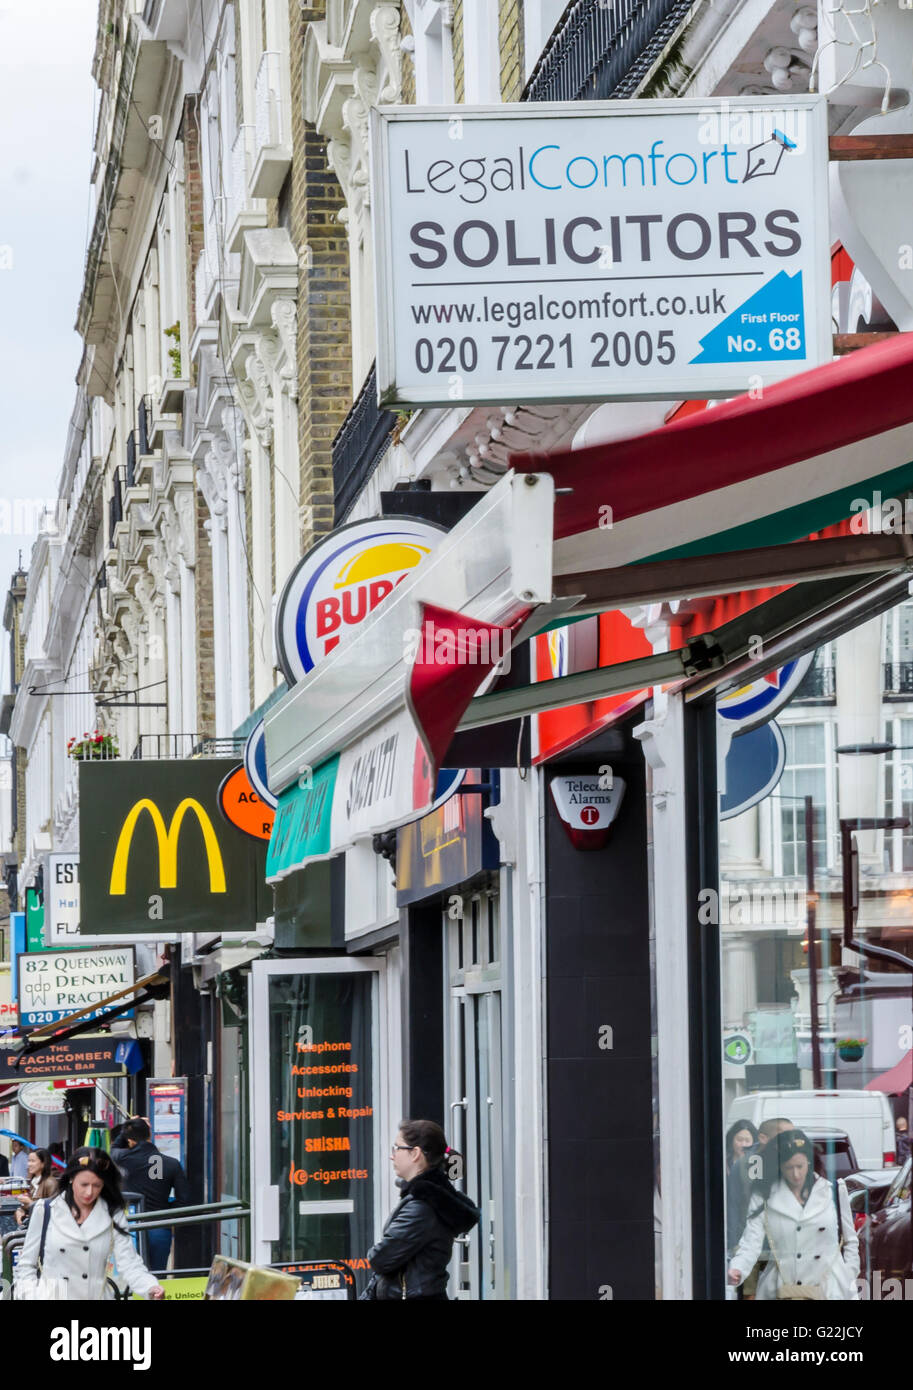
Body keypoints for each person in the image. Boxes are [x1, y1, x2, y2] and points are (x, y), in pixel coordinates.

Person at [13, 1147, 164, 1301]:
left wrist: (150, 1287)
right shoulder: (45, 1210)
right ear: (71, 1178)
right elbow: (26, 1265)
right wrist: (32, 1294)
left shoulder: (113, 1213)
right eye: (84, 1184)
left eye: (97, 1185)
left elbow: (130, 1263)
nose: (89, 1192)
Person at [728, 1128, 859, 1301]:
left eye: (800, 1166)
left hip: (831, 1289)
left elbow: (850, 1241)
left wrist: (848, 1274)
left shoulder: (833, 1190)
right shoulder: (764, 1196)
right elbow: (751, 1243)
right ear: (779, 1167)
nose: (796, 1174)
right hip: (781, 1289)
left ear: (809, 1162)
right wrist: (738, 1268)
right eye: (789, 1167)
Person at [361, 1119, 480, 1300]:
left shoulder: (422, 1208)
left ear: (415, 1153)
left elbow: (380, 1258)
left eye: (397, 1148)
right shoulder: (427, 1200)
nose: (392, 1155)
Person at [111, 1118, 190, 1272]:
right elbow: (184, 1200)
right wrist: (165, 1208)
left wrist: (127, 1126)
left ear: (130, 1141)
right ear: (150, 1135)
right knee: (156, 1276)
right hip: (159, 1226)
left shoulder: (122, 1158)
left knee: (129, 1275)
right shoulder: (171, 1163)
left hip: (130, 1225)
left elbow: (113, 1148)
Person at [725, 1120, 758, 1256]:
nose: (743, 1144)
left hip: (745, 1223)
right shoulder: (722, 1161)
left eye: (747, 1140)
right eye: (739, 1139)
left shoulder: (756, 1165)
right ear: (732, 1139)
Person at [15, 1148, 58, 1226]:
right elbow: (26, 1208)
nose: (29, 1164)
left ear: (43, 1163)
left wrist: (30, 1203)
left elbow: (54, 1210)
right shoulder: (33, 1182)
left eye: (33, 1161)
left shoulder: (50, 1183)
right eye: (29, 1160)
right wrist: (19, 1212)